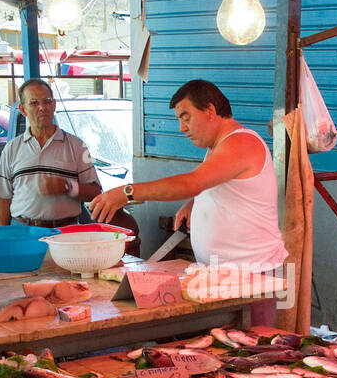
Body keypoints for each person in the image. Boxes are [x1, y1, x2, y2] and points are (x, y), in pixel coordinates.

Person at [89, 79, 287, 272]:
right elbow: (220, 184)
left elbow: (191, 183)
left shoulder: (241, 142)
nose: (182, 128)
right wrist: (196, 202)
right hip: (225, 273)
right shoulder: (218, 145)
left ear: (209, 111)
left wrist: (128, 192)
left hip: (254, 273)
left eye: (186, 118)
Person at [0, 78, 101, 227]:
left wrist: (67, 186)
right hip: (22, 232)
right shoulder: (11, 149)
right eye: (34, 103)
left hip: (65, 232)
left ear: (54, 105)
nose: (42, 108)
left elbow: (95, 192)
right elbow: (3, 199)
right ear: (23, 109)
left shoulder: (76, 146)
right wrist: (2, 238)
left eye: (47, 101)